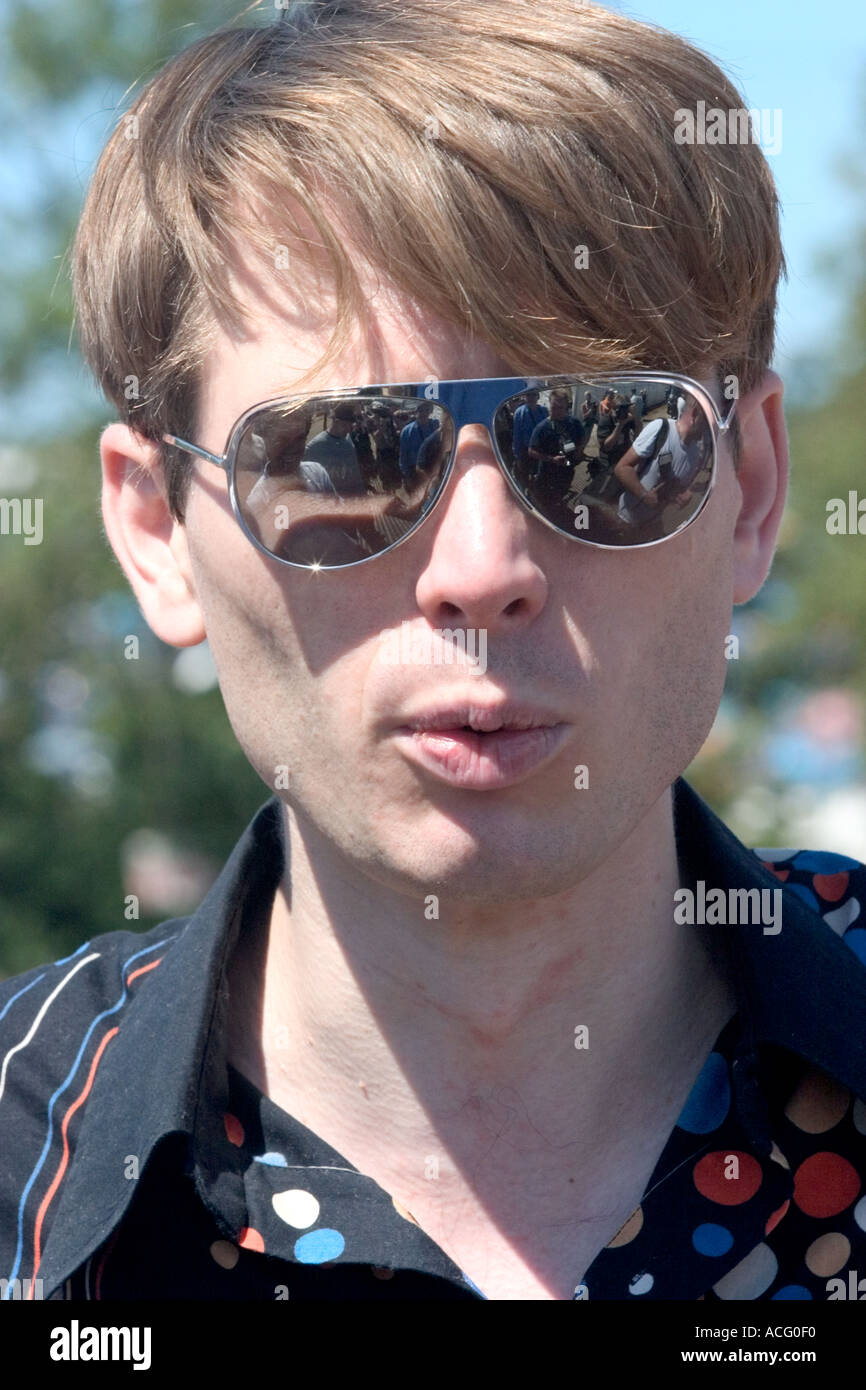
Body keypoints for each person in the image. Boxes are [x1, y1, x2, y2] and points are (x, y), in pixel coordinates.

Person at [2, 0, 865, 1309]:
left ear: (746, 491)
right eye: (341, 456)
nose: (483, 569)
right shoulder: (25, 1159)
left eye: (603, 445)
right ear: (154, 531)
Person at [511, 387, 549, 488]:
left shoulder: (544, 411)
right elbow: (517, 436)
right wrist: (517, 456)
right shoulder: (519, 413)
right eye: (528, 395)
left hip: (540, 450)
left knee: (540, 476)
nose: (531, 397)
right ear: (524, 396)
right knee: (525, 478)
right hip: (525, 451)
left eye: (534, 394)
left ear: (538, 396)